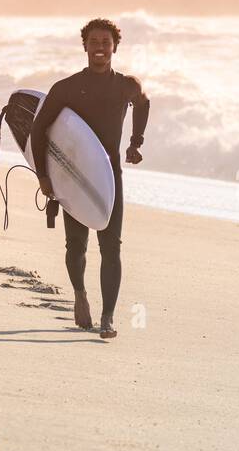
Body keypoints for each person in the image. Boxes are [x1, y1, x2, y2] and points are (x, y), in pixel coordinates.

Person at [29, 19, 150, 339]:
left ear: (115, 47)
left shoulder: (126, 85)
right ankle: (80, 295)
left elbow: (143, 102)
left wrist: (135, 143)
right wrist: (44, 175)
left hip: (110, 176)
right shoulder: (66, 88)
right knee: (76, 244)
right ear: (84, 46)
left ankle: (107, 317)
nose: (100, 47)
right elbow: (38, 129)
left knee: (112, 247)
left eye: (105, 42)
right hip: (72, 175)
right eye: (94, 41)